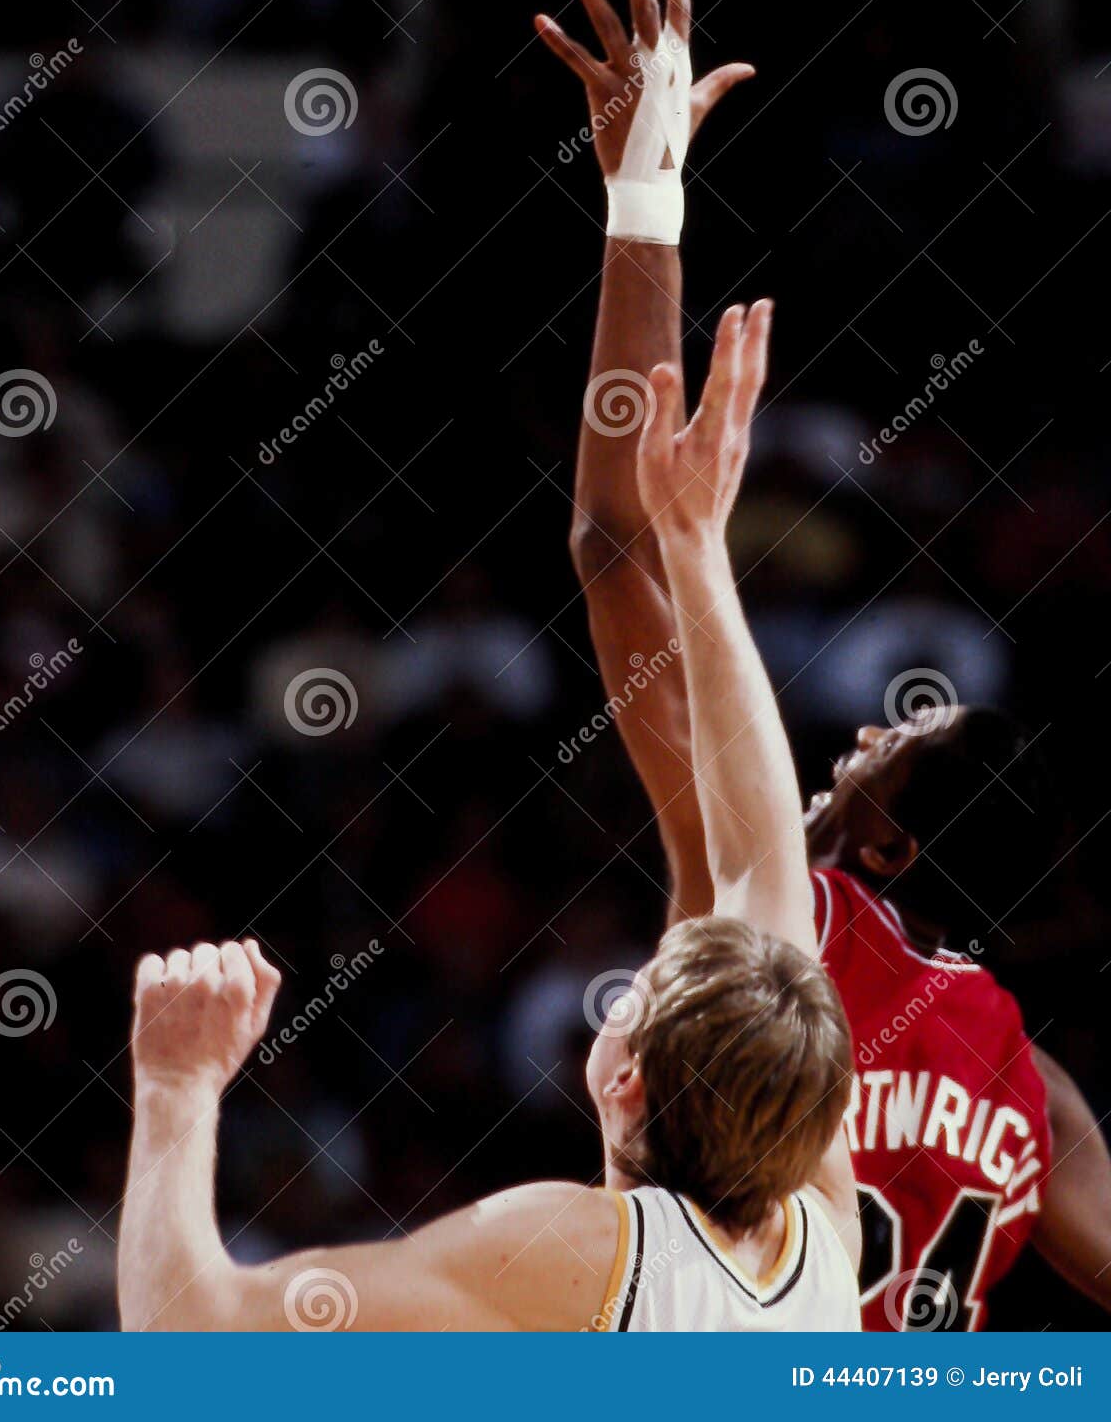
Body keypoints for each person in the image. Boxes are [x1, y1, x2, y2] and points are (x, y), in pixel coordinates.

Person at [548, 0, 1111, 1329]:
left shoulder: (771, 921)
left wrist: (643, 199)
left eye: (890, 745)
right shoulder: (1029, 1078)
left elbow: (610, 546)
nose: (860, 731)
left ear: (890, 843)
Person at [117, 313, 861, 1333]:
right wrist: (691, 549)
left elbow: (185, 1347)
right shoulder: (818, 1235)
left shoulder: (577, 1252)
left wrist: (174, 1083)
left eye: (630, 992)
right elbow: (758, 850)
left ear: (625, 1075)